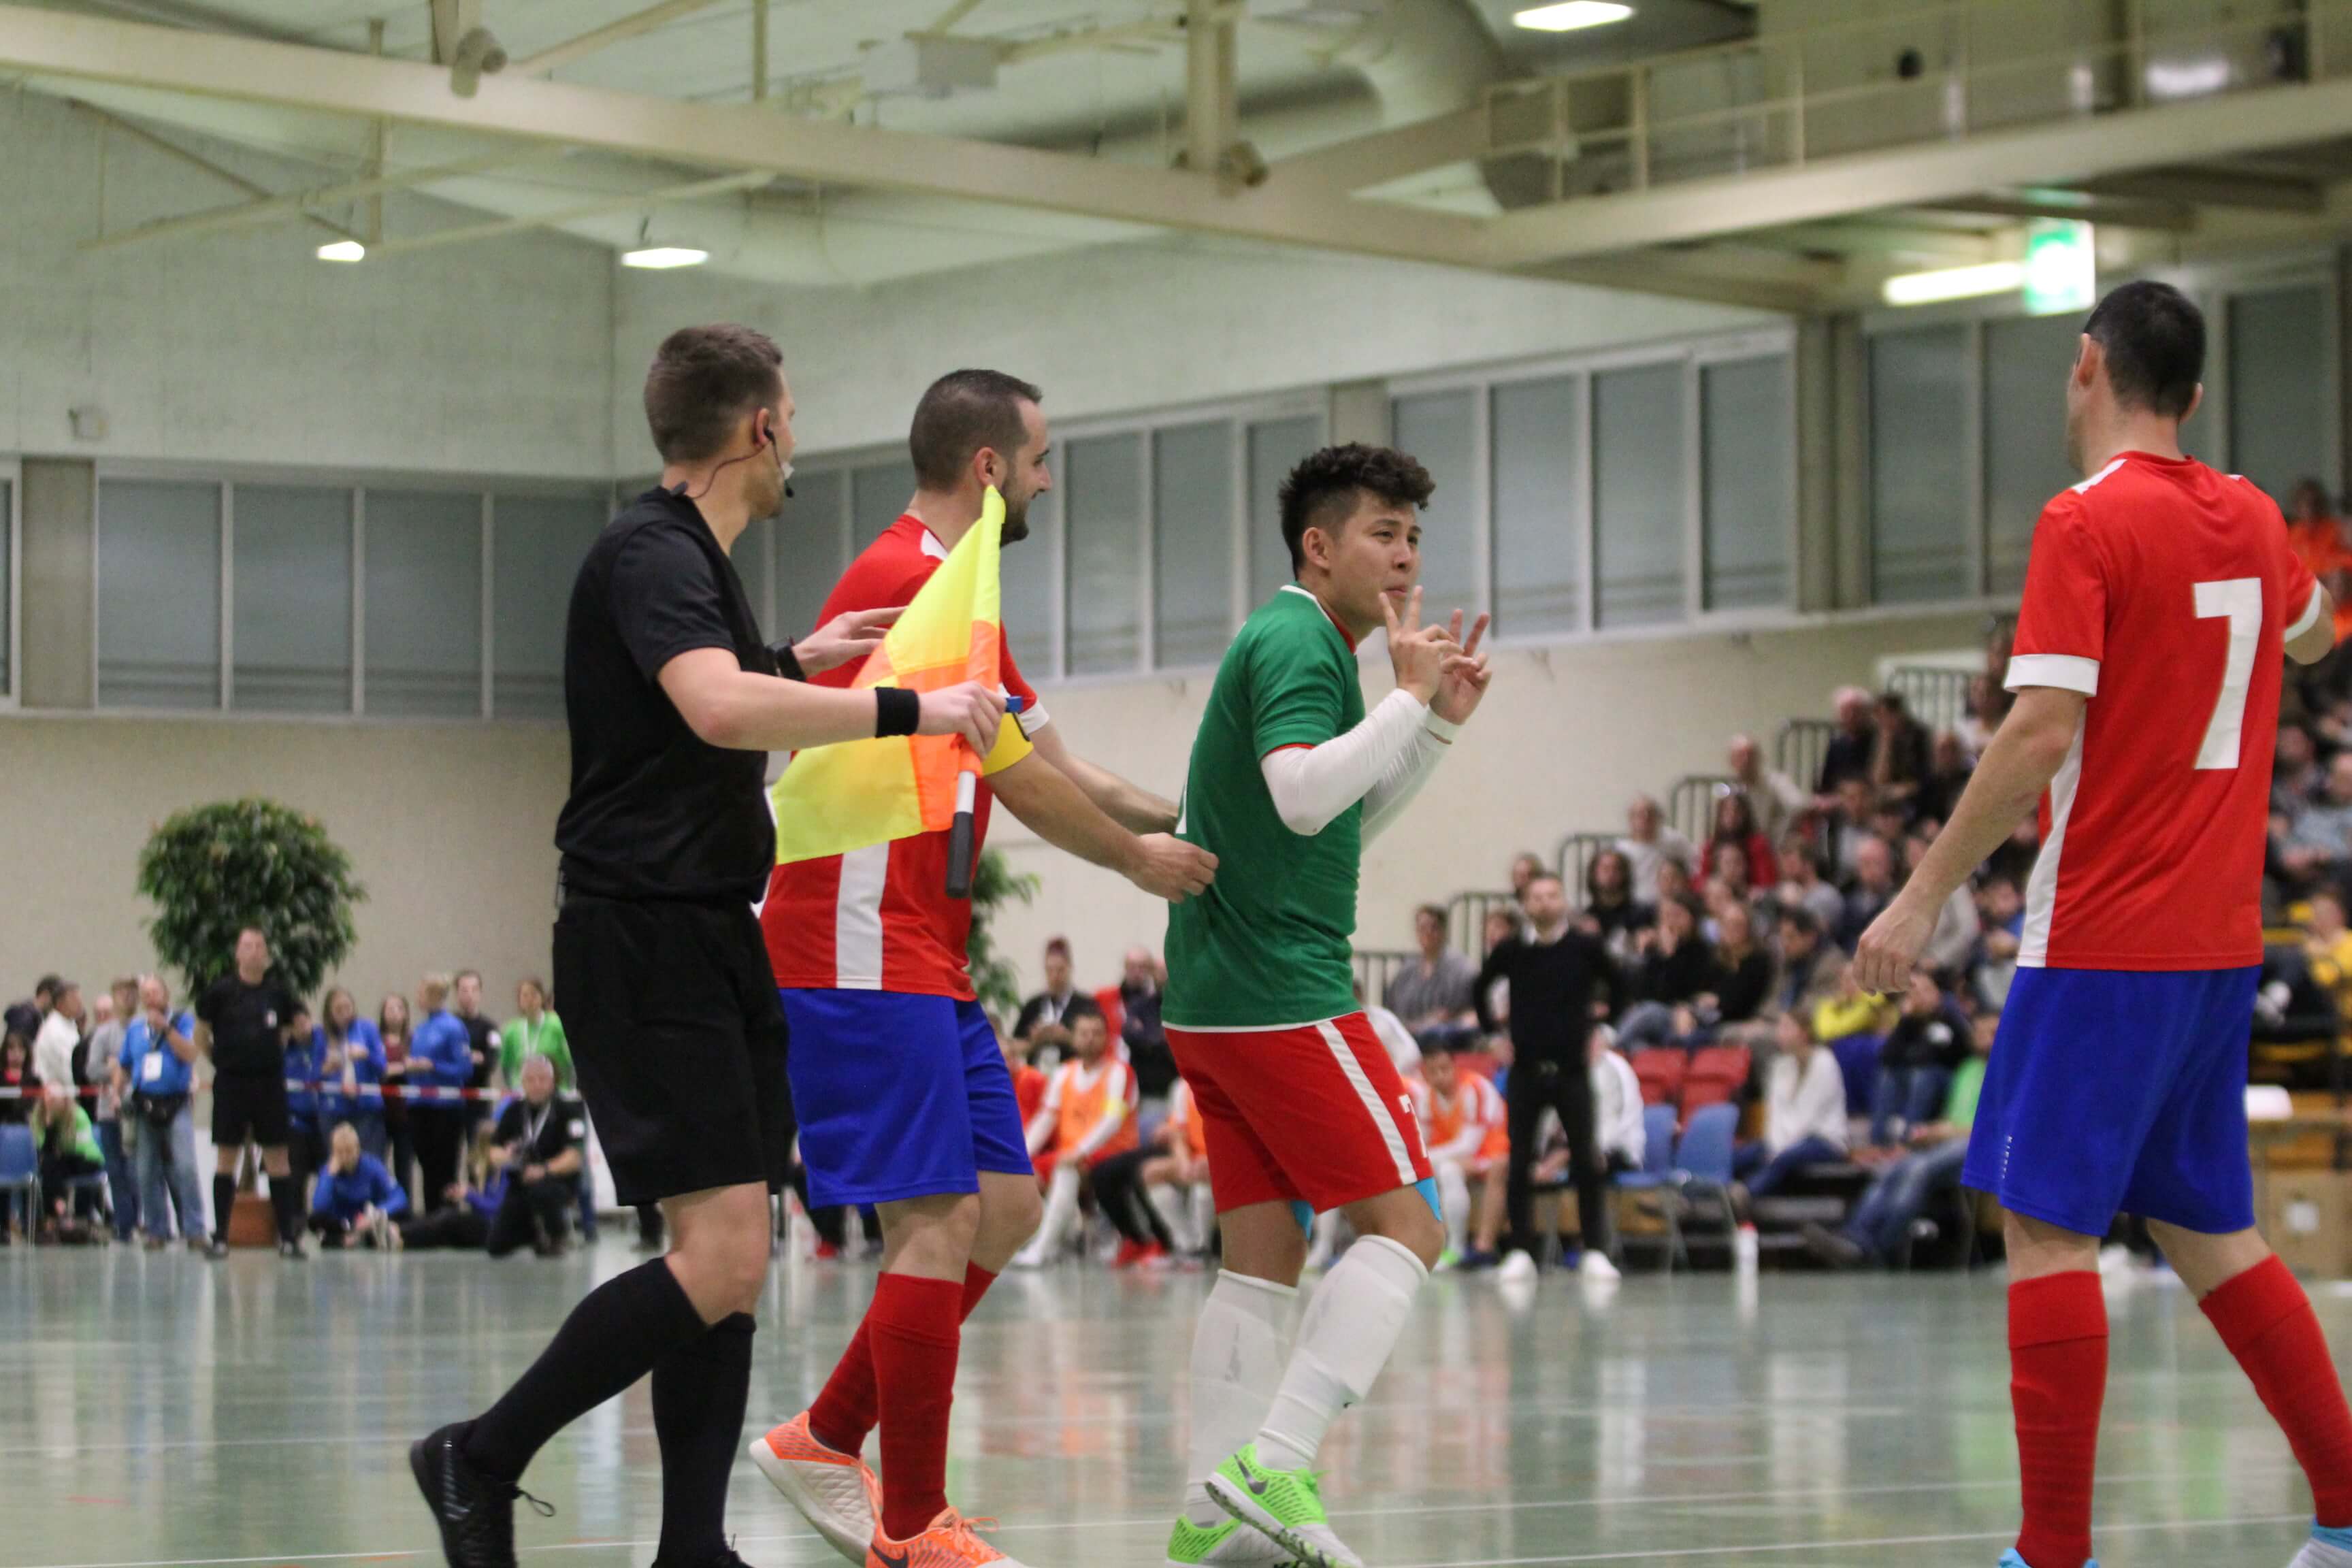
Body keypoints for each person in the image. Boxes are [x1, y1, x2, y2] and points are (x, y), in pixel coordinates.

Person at [410, 324, 1002, 1568]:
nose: (797, 437)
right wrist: (908, 703)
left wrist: (798, 658)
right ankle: (479, 1452)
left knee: (729, 1258)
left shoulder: (690, 562)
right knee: (723, 1254)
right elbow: (718, 708)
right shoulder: (652, 550)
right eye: (792, 415)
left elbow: (707, 700)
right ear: (761, 429)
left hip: (708, 929)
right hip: (645, 934)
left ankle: (692, 1545)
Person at [1853, 279, 2352, 1568]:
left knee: (2046, 1227)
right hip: (2216, 944)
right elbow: (2310, 636)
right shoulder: (2247, 513)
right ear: (2190, 395)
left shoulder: (2083, 521)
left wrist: (1918, 896)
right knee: (2204, 1225)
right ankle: (2348, 1514)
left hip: (2100, 935)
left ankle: (2050, 1553)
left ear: (2085, 367)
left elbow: (2038, 729)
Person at [751, 368, 1212, 1568]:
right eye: (1043, 456)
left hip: (921, 946)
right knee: (938, 1213)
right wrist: (1130, 861)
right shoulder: (910, 580)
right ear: (991, 467)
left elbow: (1052, 759)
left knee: (1003, 1204)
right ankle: (909, 1524)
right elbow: (1018, 778)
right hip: (853, 937)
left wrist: (1205, 815)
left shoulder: (967, 593)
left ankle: (824, 1436)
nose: (1051, 477)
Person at [1159, 441, 1488, 1568]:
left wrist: (1431, 724)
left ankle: (1210, 1504)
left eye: (1414, 538)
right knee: (1414, 1223)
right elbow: (1305, 797)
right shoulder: (1300, 633)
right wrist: (1404, 696)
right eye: (1383, 535)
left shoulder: (1297, 640)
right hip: (1276, 993)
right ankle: (1276, 1454)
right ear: (1320, 544)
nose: (1404, 558)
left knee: (1260, 1255)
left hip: (1212, 997)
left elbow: (1331, 817)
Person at [1475, 870, 1616, 1286]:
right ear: (1525, 904)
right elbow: (1481, 988)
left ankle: (1595, 1250)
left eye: (1552, 895)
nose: (1544, 903)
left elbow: (1622, 985)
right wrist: (1493, 1036)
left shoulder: (1585, 947)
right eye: (1536, 897)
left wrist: (1604, 1033)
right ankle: (1521, 1250)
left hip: (1572, 1069)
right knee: (1519, 1159)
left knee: (1586, 1159)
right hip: (1525, 1071)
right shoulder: (1513, 949)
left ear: (1564, 900)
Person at [1806, 1015, 1991, 1269]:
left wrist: (1946, 1133)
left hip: (1981, 1149)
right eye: (1980, 1032)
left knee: (1918, 1170)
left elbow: (1997, 1129)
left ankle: (1878, 1249)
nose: (1984, 1039)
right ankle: (1855, 1237)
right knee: (1892, 1168)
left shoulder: (2009, 1074)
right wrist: (1930, 1131)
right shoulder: (1967, 1069)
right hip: (1949, 1143)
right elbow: (1951, 1117)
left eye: (1991, 1033)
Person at [195, 928, 306, 1260]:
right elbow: (201, 1033)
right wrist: (219, 1059)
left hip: (269, 1084)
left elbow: (292, 1026)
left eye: (260, 946)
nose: (255, 951)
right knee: (226, 1158)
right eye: (248, 945)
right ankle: (221, 1239)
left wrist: (279, 1044)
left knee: (278, 1158)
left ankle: (287, 1238)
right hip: (231, 1083)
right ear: (237, 954)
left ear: (267, 954)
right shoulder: (221, 992)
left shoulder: (278, 993)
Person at [1013, 1006, 1138, 1268]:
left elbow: (1112, 1121)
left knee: (1066, 1170)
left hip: (1112, 1152)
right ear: (1073, 1037)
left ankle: (1041, 1250)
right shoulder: (1062, 1073)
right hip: (1069, 1154)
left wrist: (1080, 1151)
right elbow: (1046, 1119)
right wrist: (1020, 1156)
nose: (1090, 1038)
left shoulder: (1120, 1072)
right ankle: (1064, 1238)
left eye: (1096, 1033)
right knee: (1021, 1175)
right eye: (1084, 1033)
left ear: (1107, 1037)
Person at [118, 976, 204, 1251]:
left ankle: (195, 1229)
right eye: (146, 994)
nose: (150, 998)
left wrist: (166, 1030)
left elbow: (191, 1054)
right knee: (145, 1171)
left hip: (175, 1104)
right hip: (145, 1105)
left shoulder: (183, 1022)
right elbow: (124, 1064)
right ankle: (156, 1229)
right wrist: (116, 1091)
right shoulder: (134, 1029)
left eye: (155, 992)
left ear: (166, 995)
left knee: (186, 1166)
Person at [1409, 1045, 1507, 1269]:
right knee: (1434, 1171)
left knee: (1445, 1169)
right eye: (1433, 1071)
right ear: (1425, 1073)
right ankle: (1437, 1246)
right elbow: (1422, 1139)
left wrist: (1426, 1158)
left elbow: (1469, 1144)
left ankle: (1458, 1247)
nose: (1440, 1077)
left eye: (1445, 1069)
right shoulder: (1428, 1098)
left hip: (1491, 1150)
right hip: (1457, 1156)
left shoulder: (1474, 1088)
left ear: (1455, 1066)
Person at [480, 1054, 587, 1258]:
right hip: (521, 1183)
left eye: (542, 1079)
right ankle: (532, 1234)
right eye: (531, 1080)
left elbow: (574, 1157)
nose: (537, 1085)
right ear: (523, 1083)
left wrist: (545, 1169)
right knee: (496, 1246)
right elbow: (493, 1151)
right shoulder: (513, 1111)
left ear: (553, 1081)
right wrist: (507, 1156)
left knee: (543, 1190)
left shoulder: (568, 1110)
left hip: (556, 1181)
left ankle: (557, 1236)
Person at [1731, 1010, 1846, 1199]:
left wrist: (1779, 1150)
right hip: (1784, 1141)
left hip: (1823, 1139)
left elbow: (1808, 1119)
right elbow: (1775, 1115)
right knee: (1743, 1155)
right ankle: (1708, 1194)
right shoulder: (1779, 1066)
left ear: (1804, 1032)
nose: (1779, 1033)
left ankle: (1745, 1195)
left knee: (1785, 1159)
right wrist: (1774, 1146)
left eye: (1786, 1027)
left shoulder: (1825, 1064)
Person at [1872, 969, 1971, 1147]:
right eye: (1913, 993)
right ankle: (1878, 1141)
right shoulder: (1910, 1021)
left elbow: (1931, 1057)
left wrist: (1929, 1018)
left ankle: (1908, 1140)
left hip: (1948, 1077)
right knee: (1889, 1076)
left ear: (1937, 993)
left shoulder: (1950, 1017)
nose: (1919, 998)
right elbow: (1887, 1056)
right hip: (1917, 1074)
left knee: (1923, 1076)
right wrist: (1905, 1022)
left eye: (1924, 991)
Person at [406, 977, 476, 1214]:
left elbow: (465, 1068)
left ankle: (447, 1214)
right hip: (419, 1105)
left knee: (445, 1165)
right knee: (426, 1164)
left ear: (436, 995)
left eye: (422, 992)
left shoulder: (453, 1027)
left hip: (445, 1107)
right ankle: (430, 1214)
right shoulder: (421, 1028)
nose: (418, 997)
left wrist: (433, 1066)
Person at [1383, 904, 1480, 1051]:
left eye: (1433, 927)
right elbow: (1393, 1007)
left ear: (1443, 931)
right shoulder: (1406, 971)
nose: (1428, 933)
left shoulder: (1462, 968)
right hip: (1408, 1038)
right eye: (1422, 928)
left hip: (1447, 1040)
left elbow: (1469, 1010)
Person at [86, 978, 137, 1241]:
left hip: (138, 1111)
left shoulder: (142, 1029)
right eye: (122, 994)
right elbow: (92, 1070)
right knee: (115, 1169)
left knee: (138, 1169)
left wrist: (123, 1067)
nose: (127, 998)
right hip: (109, 1112)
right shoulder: (104, 1034)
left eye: (132, 994)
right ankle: (124, 1225)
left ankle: (148, 1222)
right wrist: (115, 1068)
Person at [314, 988, 388, 1160]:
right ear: (329, 1013)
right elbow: (312, 1076)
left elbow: (382, 1068)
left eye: (348, 1007)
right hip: (334, 1110)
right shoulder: (321, 1035)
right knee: (337, 1163)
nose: (344, 1013)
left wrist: (366, 1055)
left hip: (366, 1108)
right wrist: (326, 1069)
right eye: (338, 1009)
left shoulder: (367, 1029)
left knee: (370, 1160)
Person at [309, 1121, 407, 1249]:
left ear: (358, 1148)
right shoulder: (329, 1171)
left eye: (349, 1151)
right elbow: (319, 1206)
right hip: (343, 1223)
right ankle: (347, 1240)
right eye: (340, 1152)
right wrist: (330, 1177)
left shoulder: (373, 1166)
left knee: (401, 1216)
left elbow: (399, 1196)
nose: (345, 1157)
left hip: (369, 1219)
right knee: (314, 1220)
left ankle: (367, 1237)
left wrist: (379, 1212)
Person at [30, 1083, 103, 1235]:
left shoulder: (78, 1114)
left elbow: (80, 1146)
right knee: (49, 1165)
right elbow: (45, 1149)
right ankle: (60, 1209)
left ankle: (54, 1217)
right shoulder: (40, 1117)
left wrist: (60, 1149)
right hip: (61, 1161)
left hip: (86, 1158)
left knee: (52, 1166)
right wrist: (50, 1123)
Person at [1117, 947, 1177, 1111]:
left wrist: (1148, 1035)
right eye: (1159, 972)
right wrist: (1161, 1038)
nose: (1163, 976)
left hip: (1175, 1084)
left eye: (1167, 971)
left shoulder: (1182, 1007)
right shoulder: (1140, 1004)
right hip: (1145, 1089)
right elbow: (1130, 1034)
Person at [1013, 936, 1083, 1071]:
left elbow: (1096, 1046)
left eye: (1060, 970)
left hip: (1071, 1075)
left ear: (1070, 969)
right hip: (1037, 1075)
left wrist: (1067, 1038)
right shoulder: (1033, 1005)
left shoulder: (1083, 1005)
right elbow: (1015, 1045)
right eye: (1050, 970)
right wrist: (1034, 1042)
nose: (1055, 976)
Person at [1729, 733, 1807, 846]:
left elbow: (1799, 805)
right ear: (1732, 761)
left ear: (1758, 758)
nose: (1746, 761)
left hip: (1774, 847)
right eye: (1740, 756)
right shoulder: (1731, 790)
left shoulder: (1777, 782)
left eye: (1750, 755)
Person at [1616, 795, 1693, 907]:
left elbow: (1692, 866)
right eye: (1639, 814)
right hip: (1633, 906)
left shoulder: (1674, 841)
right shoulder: (1621, 849)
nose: (1645, 818)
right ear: (1631, 819)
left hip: (1668, 904)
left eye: (1650, 813)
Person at [1580, 847, 1653, 960]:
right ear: (1593, 874)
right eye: (1605, 869)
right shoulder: (1587, 917)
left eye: (1616, 869)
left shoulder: (1643, 914)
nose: (1611, 874)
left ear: (1624, 874)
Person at [379, 993, 418, 1200]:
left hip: (406, 1113)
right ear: (383, 1014)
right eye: (390, 1009)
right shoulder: (376, 1040)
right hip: (381, 1112)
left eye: (399, 1009)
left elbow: (419, 1068)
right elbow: (378, 1070)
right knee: (379, 1165)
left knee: (404, 1168)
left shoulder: (414, 1040)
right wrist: (401, 1067)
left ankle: (405, 1212)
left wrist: (401, 1068)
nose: (395, 1014)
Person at [1699, 791, 1777, 889]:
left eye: (1737, 811)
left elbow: (1766, 883)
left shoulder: (1758, 844)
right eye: (1726, 811)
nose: (1732, 815)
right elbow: (1701, 882)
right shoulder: (1710, 846)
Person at [1815, 687, 1876, 802]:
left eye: (1856, 712)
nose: (1850, 717)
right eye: (1845, 712)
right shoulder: (1836, 744)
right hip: (1838, 800)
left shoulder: (1877, 744)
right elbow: (1825, 783)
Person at [31, 978, 82, 1102]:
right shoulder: (54, 1030)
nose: (80, 1003)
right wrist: (77, 1096)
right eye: (74, 999)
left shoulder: (70, 1026)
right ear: (60, 1003)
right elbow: (66, 1067)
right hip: (57, 1099)